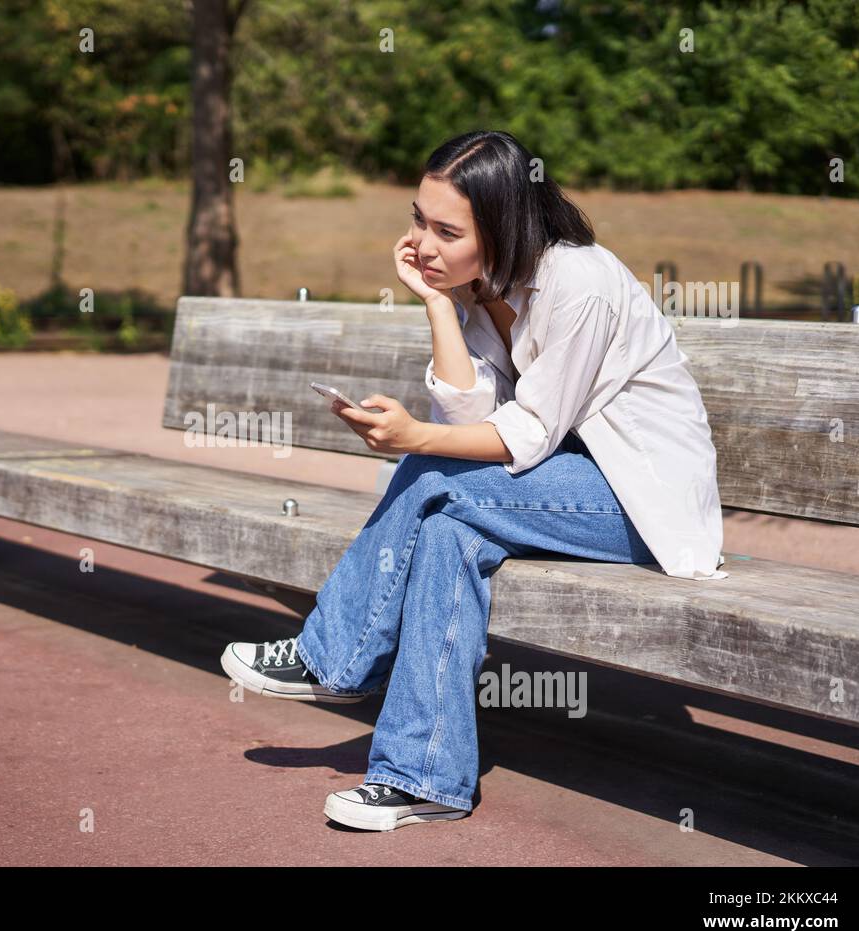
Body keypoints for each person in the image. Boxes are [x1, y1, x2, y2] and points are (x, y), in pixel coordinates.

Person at [220, 129, 729, 832]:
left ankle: (331, 658)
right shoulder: (483, 285)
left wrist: (414, 441)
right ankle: (422, 777)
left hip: (638, 502)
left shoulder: (579, 283)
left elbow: (523, 435)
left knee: (432, 474)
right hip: (554, 490)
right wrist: (435, 300)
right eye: (418, 220)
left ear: (503, 226)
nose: (422, 242)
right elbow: (470, 415)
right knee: (448, 526)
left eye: (446, 230)